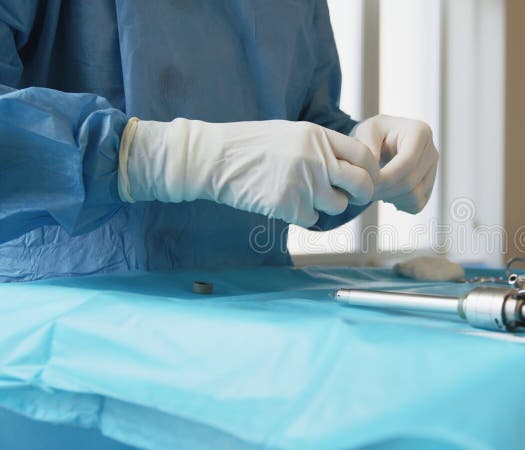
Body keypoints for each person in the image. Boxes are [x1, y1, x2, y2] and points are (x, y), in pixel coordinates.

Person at [0, 0, 439, 282]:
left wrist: (361, 153)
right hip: (66, 333)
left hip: (252, 317)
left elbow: (299, 125)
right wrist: (156, 159)